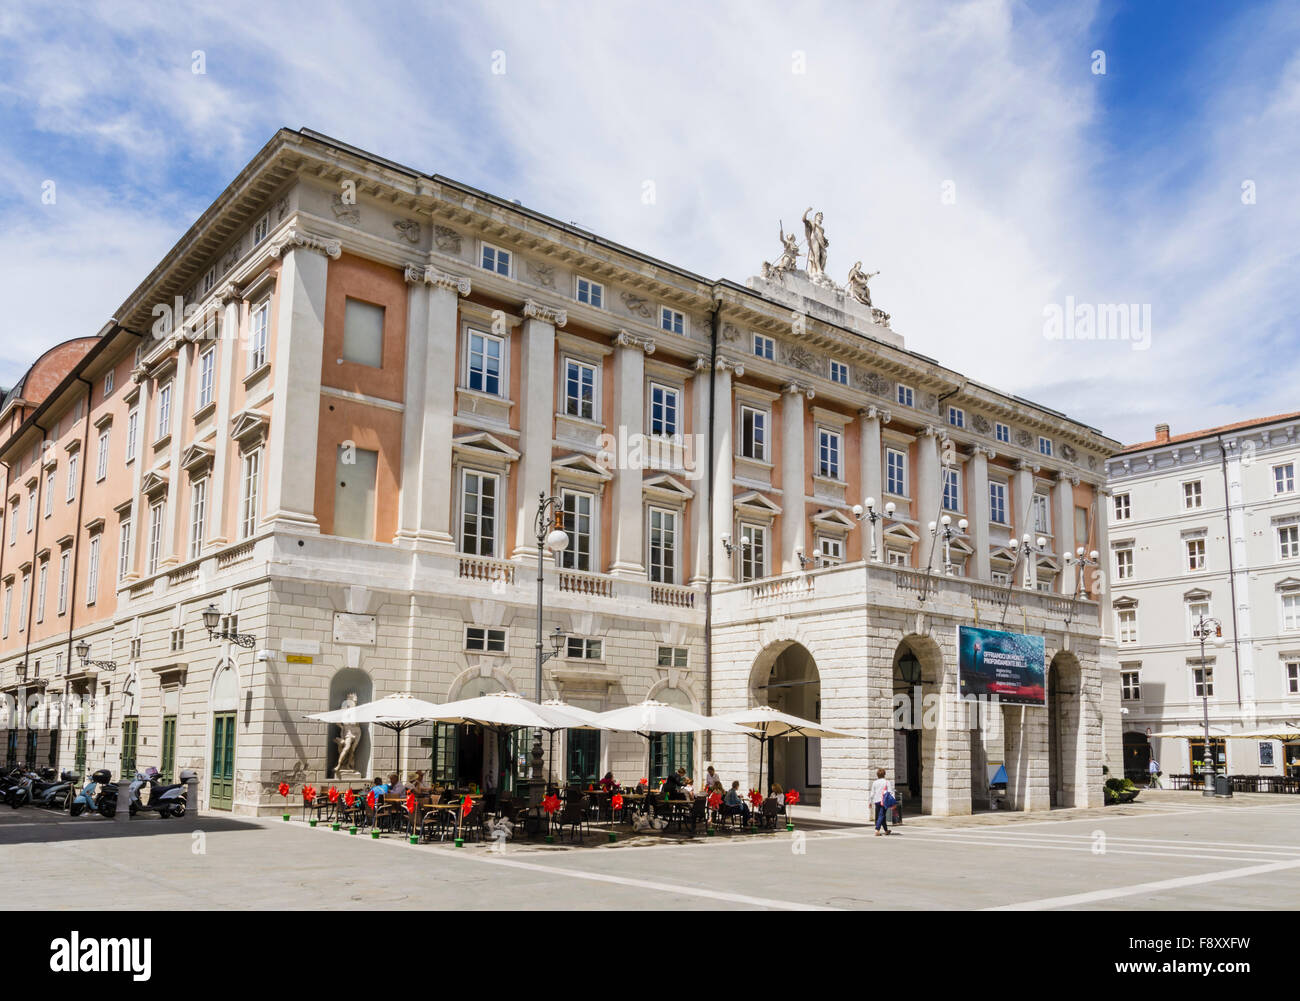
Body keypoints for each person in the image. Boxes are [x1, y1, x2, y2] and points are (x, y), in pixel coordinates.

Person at [870, 768, 893, 836]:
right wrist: (892, 801)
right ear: (884, 774)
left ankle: (886, 830)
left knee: (881, 816)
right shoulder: (886, 782)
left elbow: (872, 793)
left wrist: (870, 802)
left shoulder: (875, 782)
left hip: (876, 801)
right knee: (881, 815)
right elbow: (890, 792)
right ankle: (877, 830)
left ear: (877, 775)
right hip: (884, 801)